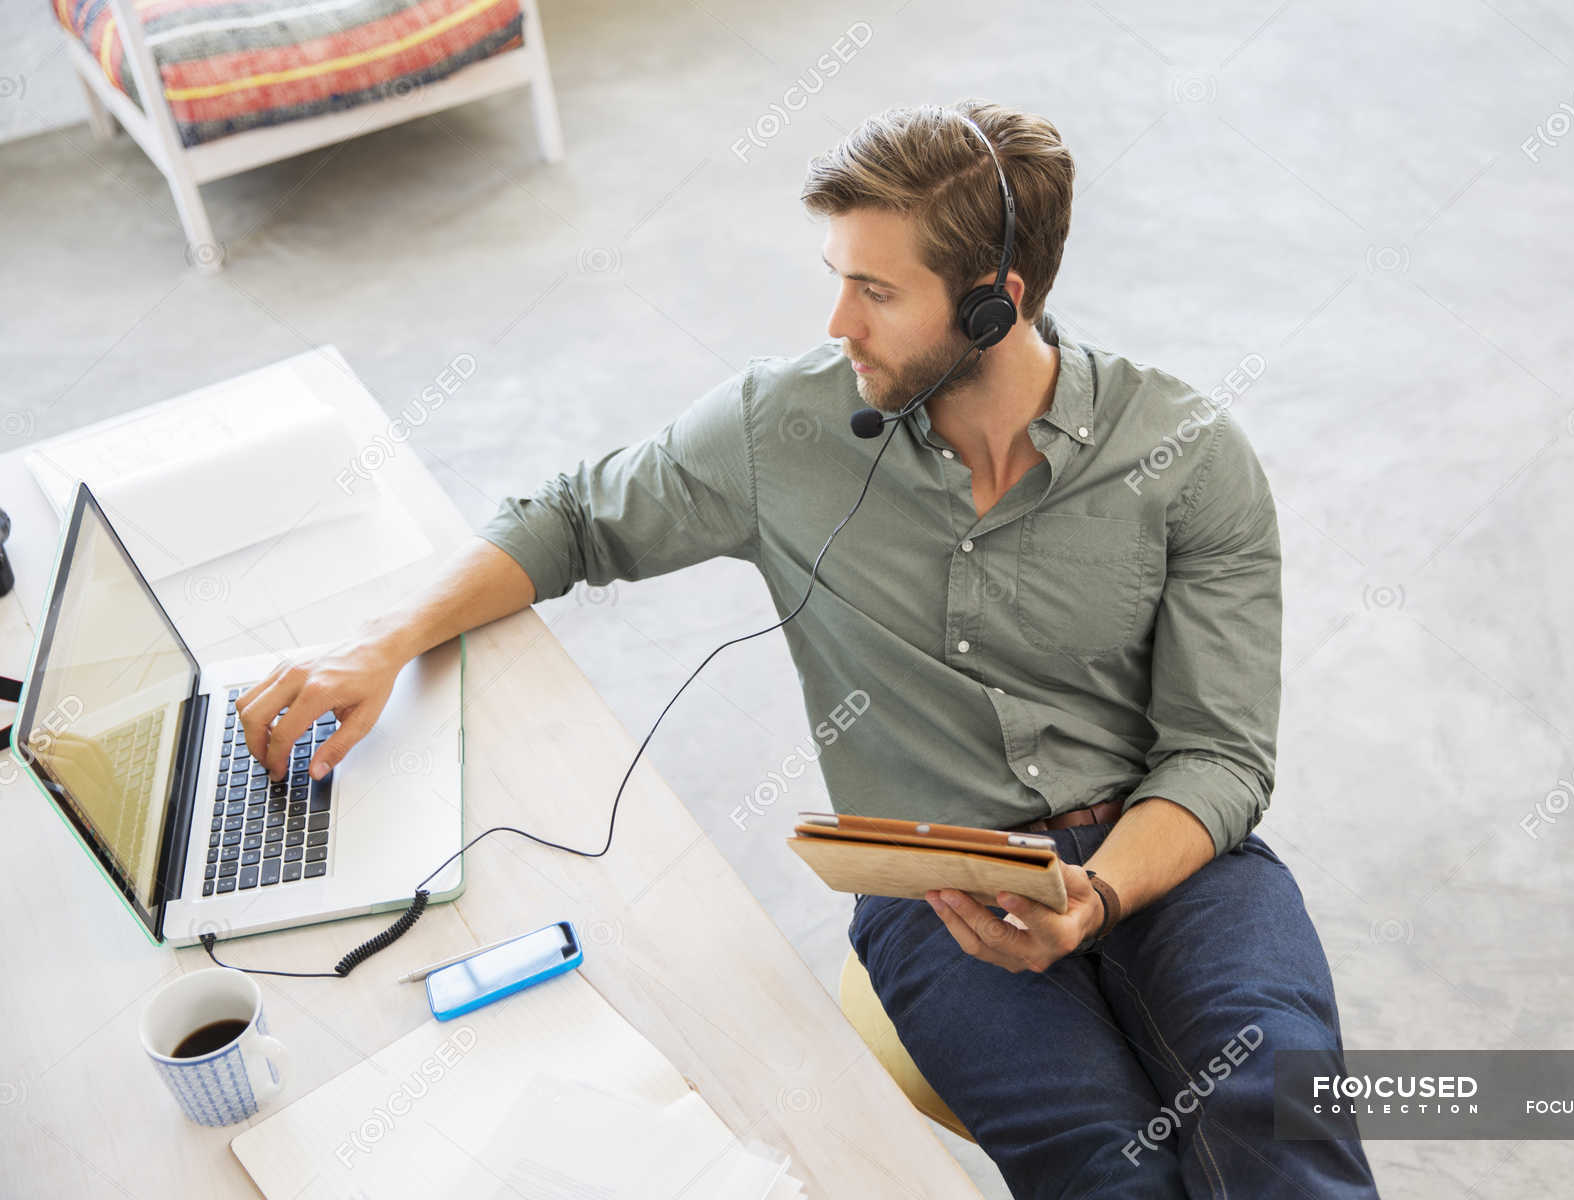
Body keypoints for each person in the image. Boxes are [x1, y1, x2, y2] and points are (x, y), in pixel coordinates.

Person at [233, 99, 1380, 1199]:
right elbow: (575, 517)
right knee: (1106, 1166)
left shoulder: (1184, 455)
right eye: (838, 280)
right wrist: (381, 646)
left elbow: (1220, 756)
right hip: (937, 884)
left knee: (1285, 1121)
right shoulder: (787, 428)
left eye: (876, 290)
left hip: (1167, 858)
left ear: (994, 303)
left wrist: (1100, 894)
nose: (840, 324)